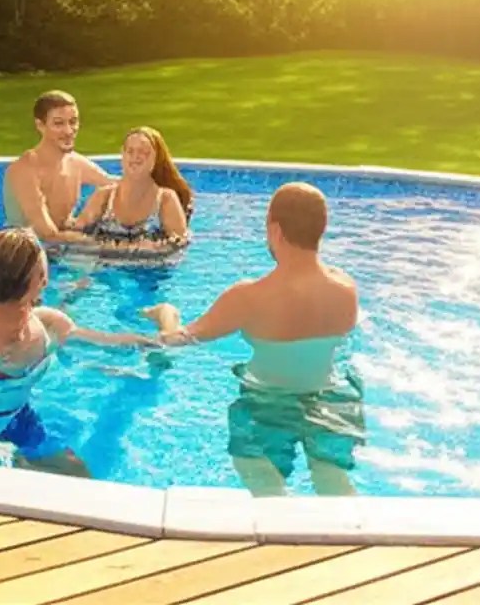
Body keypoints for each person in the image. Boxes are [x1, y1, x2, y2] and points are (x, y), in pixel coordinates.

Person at [142, 182, 365, 497]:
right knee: (333, 478)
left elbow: (178, 341)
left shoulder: (249, 297)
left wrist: (167, 314)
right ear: (321, 229)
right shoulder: (346, 289)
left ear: (274, 230)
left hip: (266, 402)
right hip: (332, 399)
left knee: (264, 484)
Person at [0, 227, 156, 477]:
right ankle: (17, 465)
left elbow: (103, 343)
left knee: (79, 477)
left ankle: (21, 465)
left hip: (17, 421)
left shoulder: (49, 325)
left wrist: (153, 343)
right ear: (42, 281)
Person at [3, 91, 114, 243]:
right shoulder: (24, 170)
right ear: (40, 126)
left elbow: (116, 184)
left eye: (73, 122)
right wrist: (100, 243)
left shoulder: (76, 163)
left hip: (65, 239)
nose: (69, 131)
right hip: (28, 251)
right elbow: (46, 234)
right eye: (58, 123)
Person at [72, 127, 193, 254]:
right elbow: (76, 234)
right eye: (130, 151)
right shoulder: (104, 196)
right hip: (106, 268)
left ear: (156, 159)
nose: (136, 157)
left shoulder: (166, 199)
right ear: (122, 156)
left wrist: (159, 249)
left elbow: (180, 242)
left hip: (151, 270)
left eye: (143, 152)